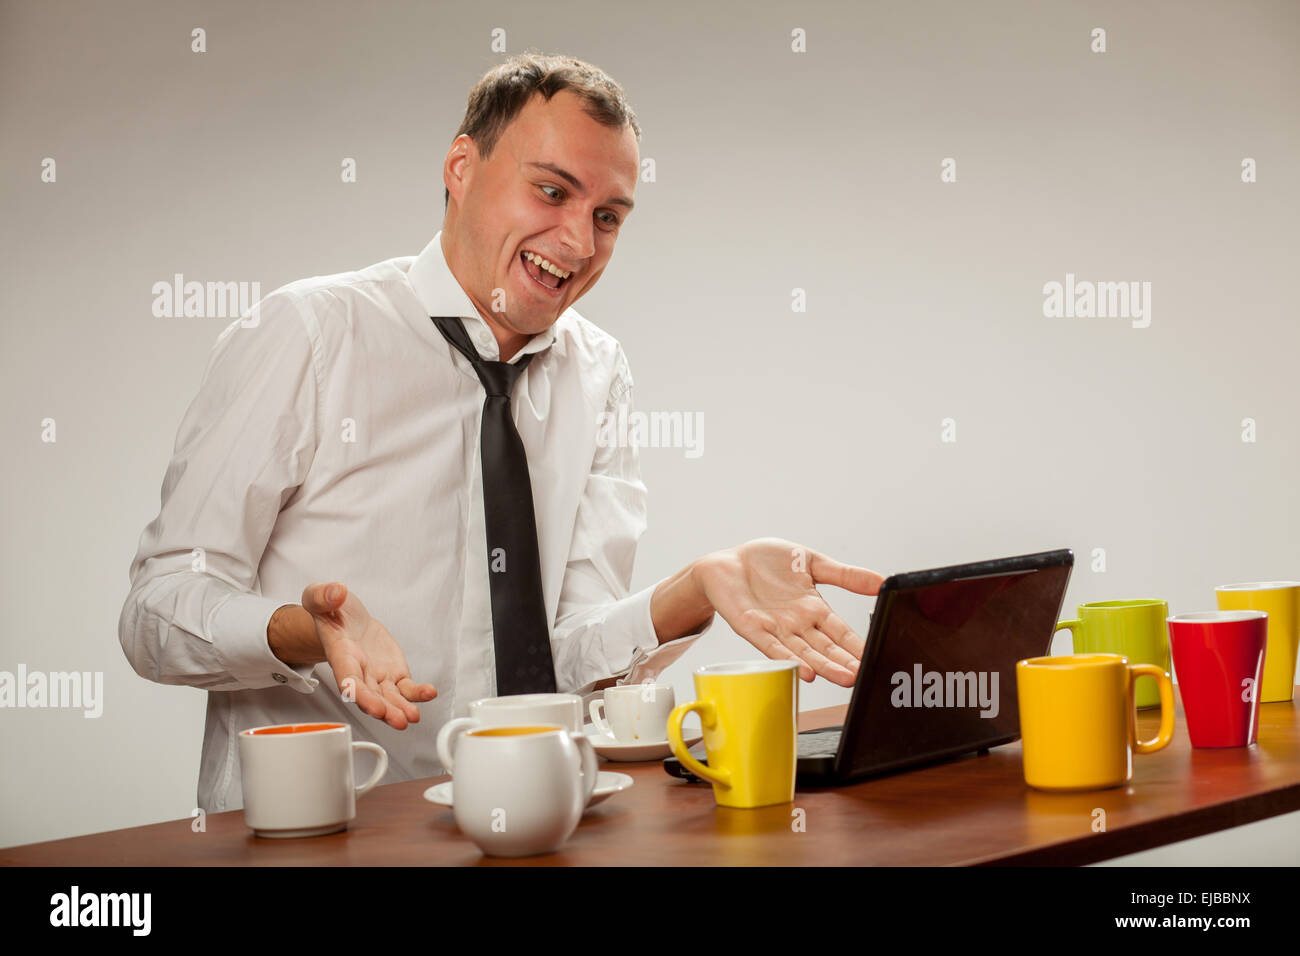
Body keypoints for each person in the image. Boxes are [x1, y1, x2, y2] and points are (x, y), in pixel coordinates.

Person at [119, 52, 883, 812]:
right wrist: (299, 633)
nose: (580, 244)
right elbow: (156, 610)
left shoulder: (598, 370)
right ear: (461, 166)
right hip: (324, 832)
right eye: (552, 191)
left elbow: (565, 655)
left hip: (536, 827)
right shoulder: (310, 334)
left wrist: (691, 590)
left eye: (608, 217)